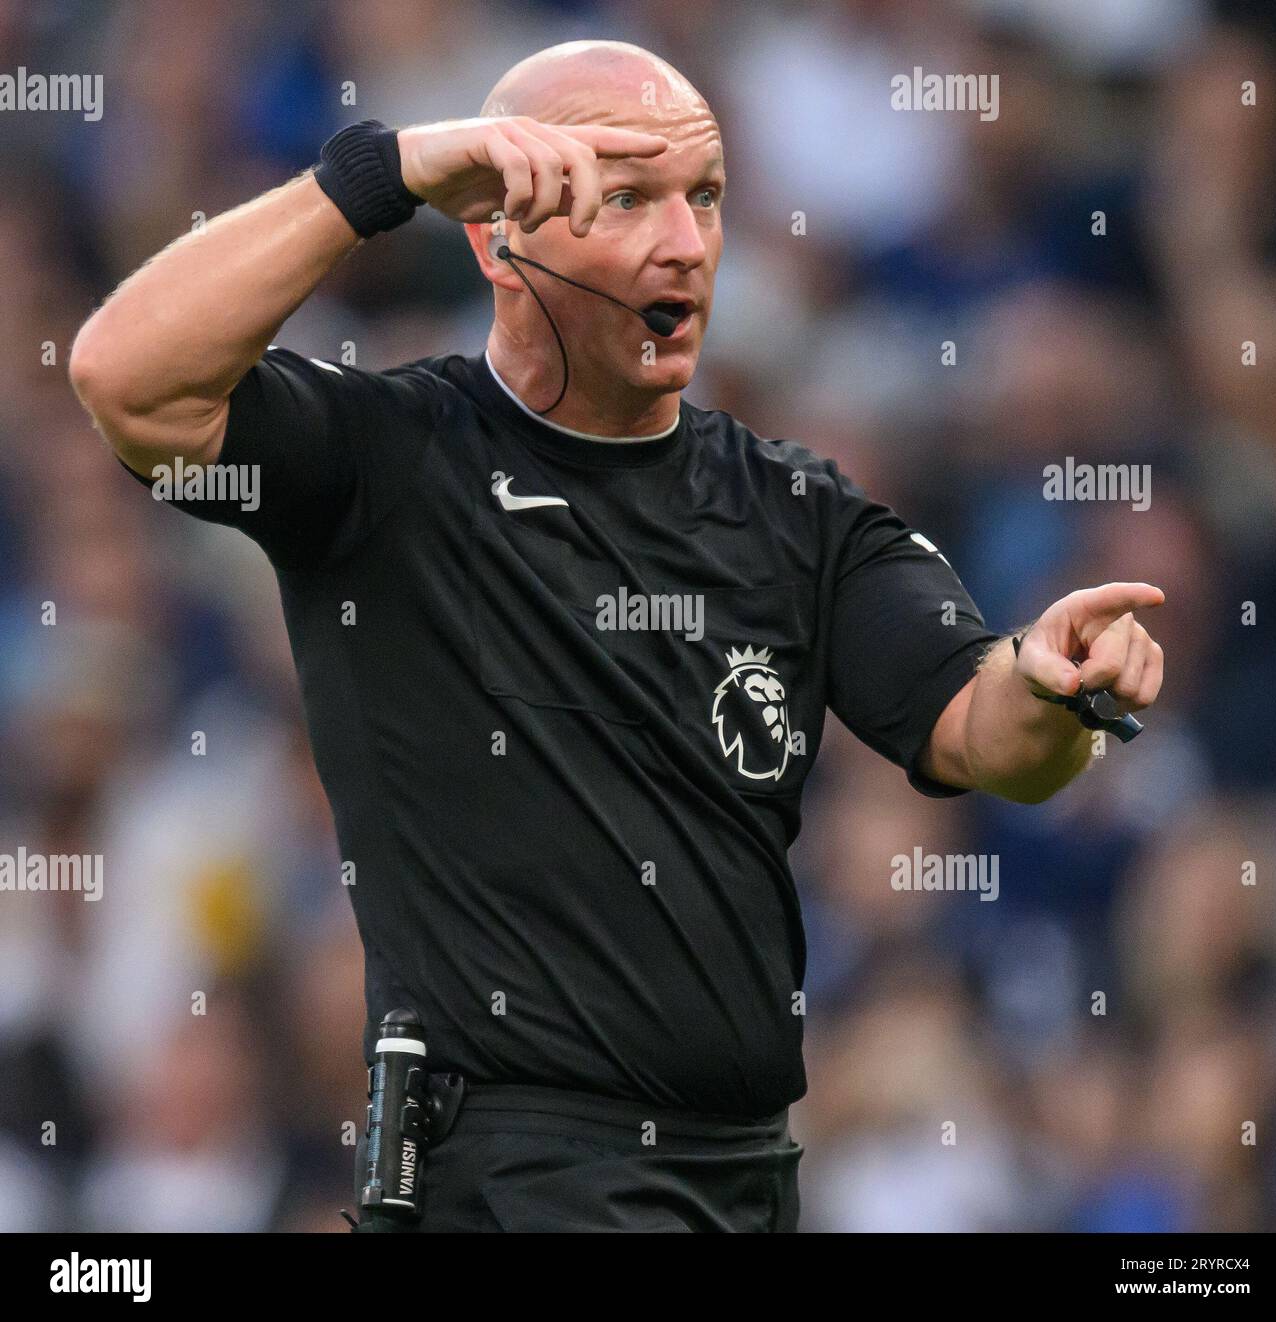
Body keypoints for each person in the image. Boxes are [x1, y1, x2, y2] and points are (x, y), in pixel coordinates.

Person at [67, 39, 1164, 1232]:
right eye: (628, 196)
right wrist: (386, 174)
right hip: (506, 1175)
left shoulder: (799, 514)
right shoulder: (384, 462)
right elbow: (129, 380)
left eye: (704, 197)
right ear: (498, 236)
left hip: (744, 1183)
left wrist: (1054, 683)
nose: (686, 243)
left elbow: (986, 729)